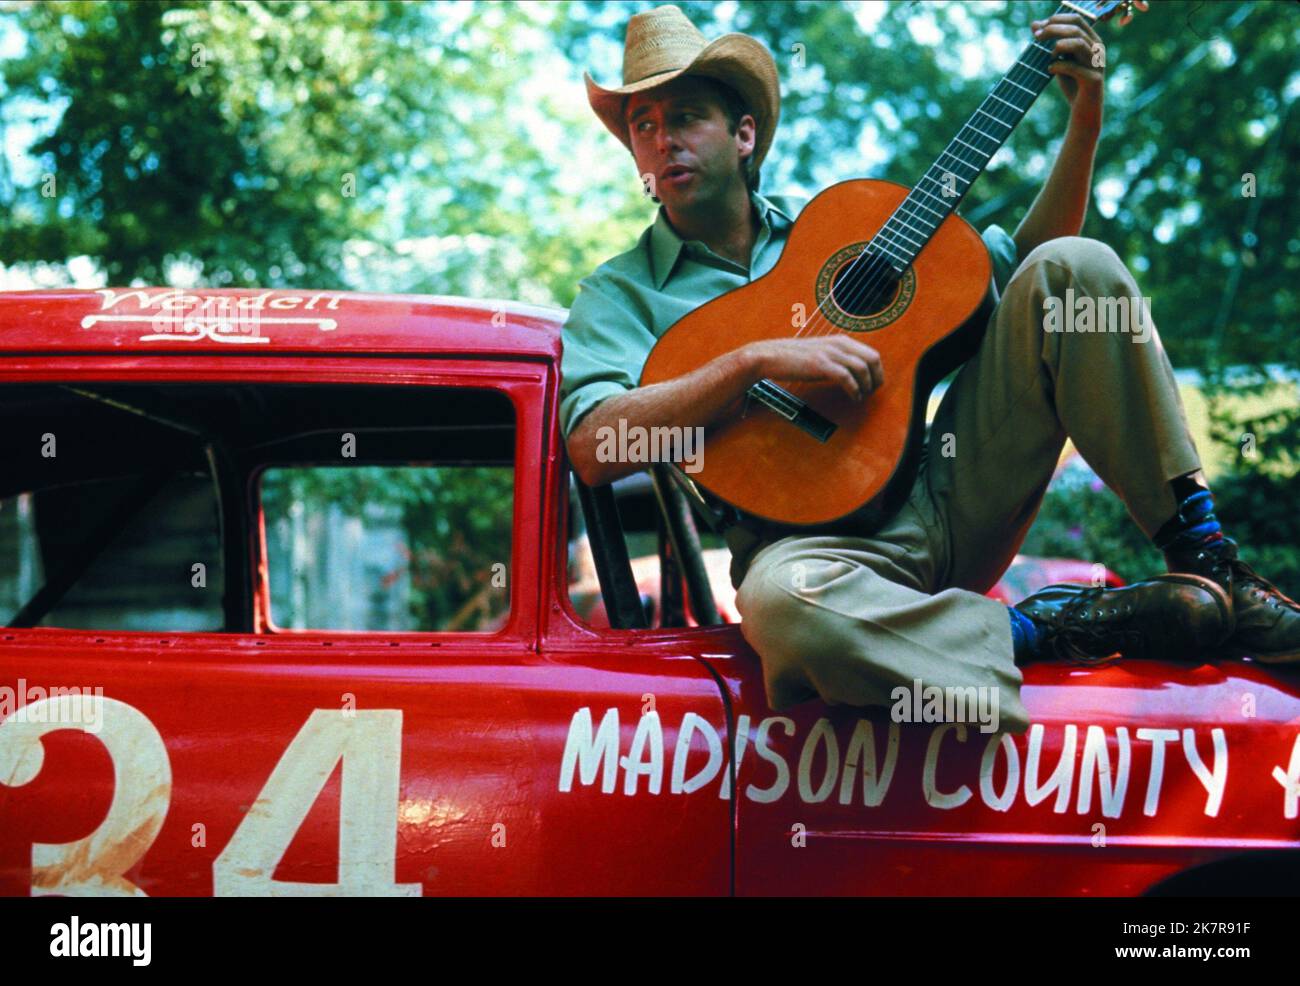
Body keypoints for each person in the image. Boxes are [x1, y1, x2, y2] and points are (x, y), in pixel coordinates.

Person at [559, 4, 1300, 733]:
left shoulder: (841, 228)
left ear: (744, 133)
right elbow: (593, 449)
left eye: (685, 116)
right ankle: (1051, 628)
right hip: (820, 563)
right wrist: (755, 360)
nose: (663, 143)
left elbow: (1023, 278)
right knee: (781, 611)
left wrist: (1085, 124)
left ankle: (1210, 563)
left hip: (951, 493)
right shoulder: (620, 293)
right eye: (643, 126)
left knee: (1077, 268)